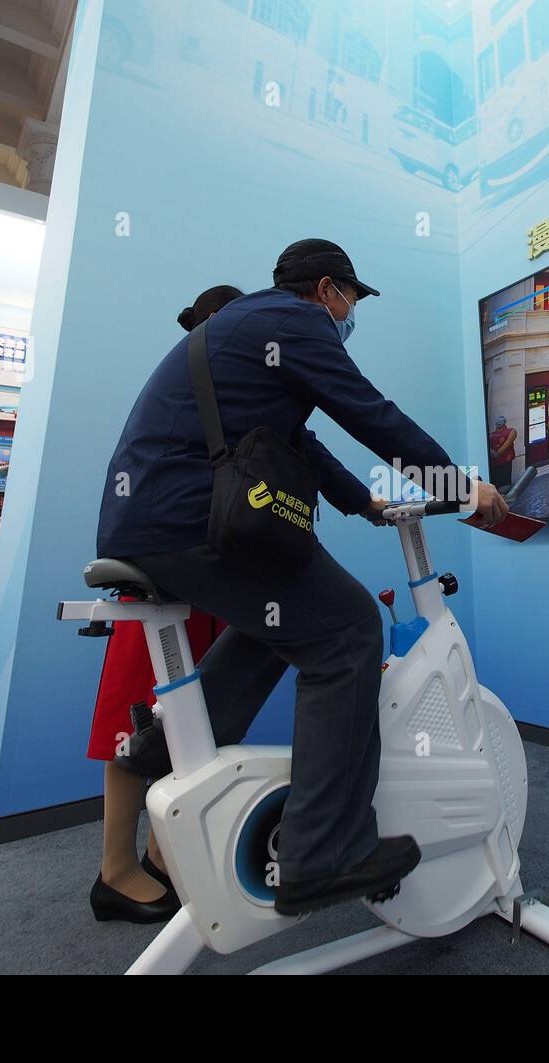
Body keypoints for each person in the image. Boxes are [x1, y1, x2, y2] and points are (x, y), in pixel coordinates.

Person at [96, 239, 507, 917]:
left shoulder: (248, 329)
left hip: (150, 515)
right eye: (350, 299)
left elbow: (303, 444)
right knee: (348, 631)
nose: (349, 315)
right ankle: (322, 854)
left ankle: (162, 745)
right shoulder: (298, 323)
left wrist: (363, 503)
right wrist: (462, 488)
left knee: (282, 620)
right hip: (187, 519)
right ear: (325, 289)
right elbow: (371, 413)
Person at [88, 284, 241, 924]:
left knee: (190, 724)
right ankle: (115, 873)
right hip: (160, 578)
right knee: (134, 725)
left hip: (208, 577)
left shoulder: (221, 389)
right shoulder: (183, 384)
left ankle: (159, 858)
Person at [488, 415, 517, 490]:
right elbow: (487, 444)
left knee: (505, 479)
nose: (499, 423)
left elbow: (509, 441)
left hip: (505, 460)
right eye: (498, 421)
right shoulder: (491, 435)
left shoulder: (510, 431)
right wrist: (494, 453)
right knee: (497, 479)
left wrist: (498, 453)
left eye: (500, 421)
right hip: (495, 463)